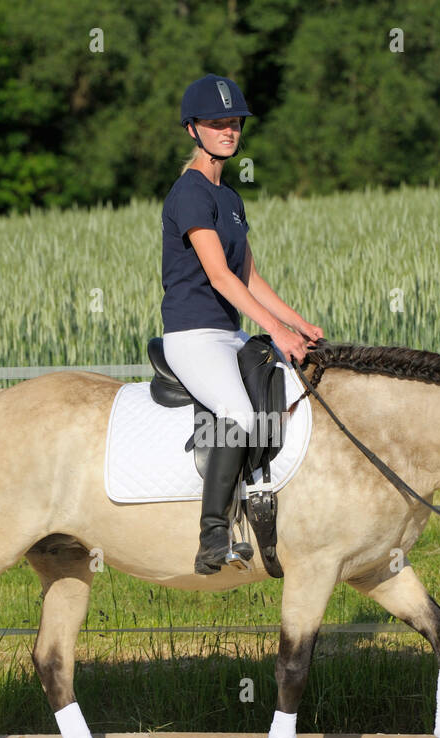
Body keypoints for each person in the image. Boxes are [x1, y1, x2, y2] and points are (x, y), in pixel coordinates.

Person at [160, 73, 324, 574]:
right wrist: (275, 332)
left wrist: (300, 324)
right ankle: (213, 536)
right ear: (193, 129)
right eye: (217, 123)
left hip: (228, 332)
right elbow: (219, 275)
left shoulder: (229, 199)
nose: (228, 131)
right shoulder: (189, 193)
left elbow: (250, 276)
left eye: (234, 122)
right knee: (237, 411)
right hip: (192, 335)